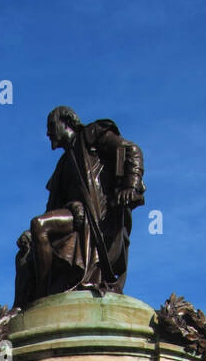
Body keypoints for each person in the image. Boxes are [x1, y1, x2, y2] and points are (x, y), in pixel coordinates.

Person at [15, 107, 145, 306]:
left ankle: (43, 297)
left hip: (95, 217)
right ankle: (22, 306)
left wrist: (131, 185)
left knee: (39, 225)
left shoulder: (91, 134)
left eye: (51, 126)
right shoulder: (62, 166)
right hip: (74, 218)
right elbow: (51, 209)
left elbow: (130, 150)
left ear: (66, 122)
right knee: (25, 251)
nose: (48, 133)